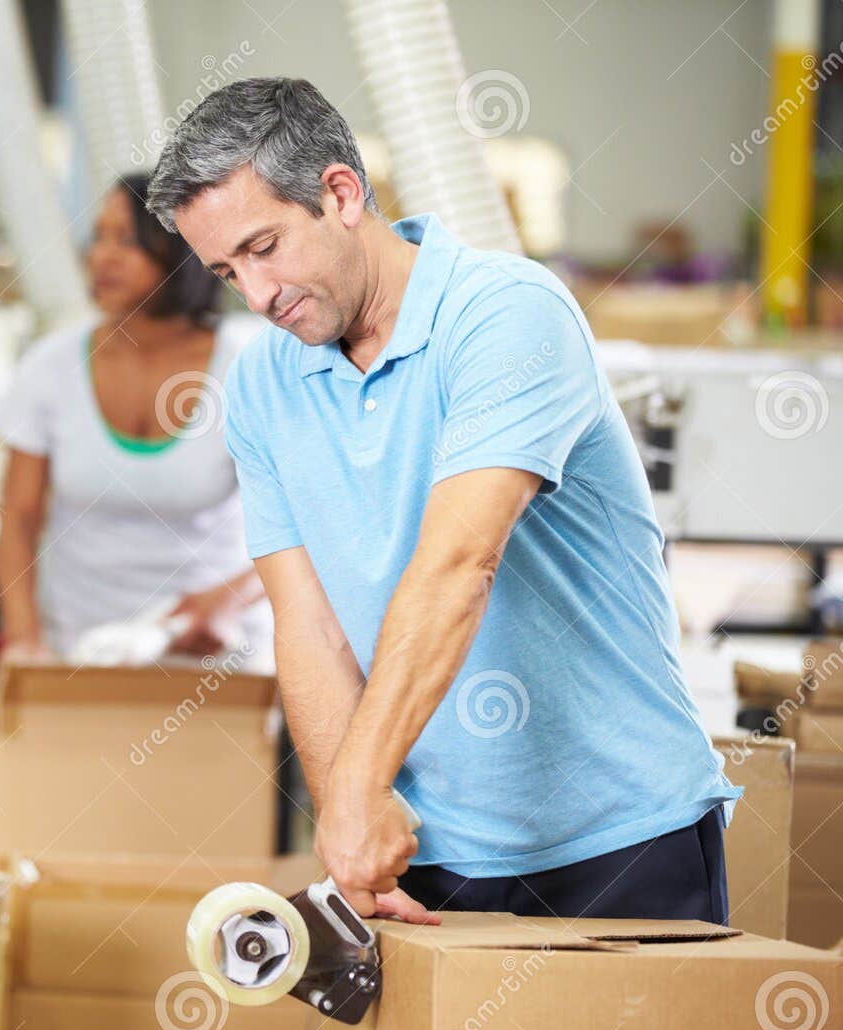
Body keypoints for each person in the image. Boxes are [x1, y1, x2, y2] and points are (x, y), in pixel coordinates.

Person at [147, 77, 739, 923]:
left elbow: (462, 558)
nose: (257, 294)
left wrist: (359, 782)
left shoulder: (506, 314)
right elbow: (307, 626)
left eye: (265, 246)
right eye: (226, 270)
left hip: (622, 840)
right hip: (426, 853)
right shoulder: (262, 386)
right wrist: (351, 819)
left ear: (341, 193)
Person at [0, 172, 271, 665]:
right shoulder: (50, 367)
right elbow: (18, 520)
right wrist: (24, 638)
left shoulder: (250, 370)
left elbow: (311, 526)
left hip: (217, 655)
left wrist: (231, 599)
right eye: (98, 237)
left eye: (127, 240)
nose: (102, 257)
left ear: (186, 251)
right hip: (75, 651)